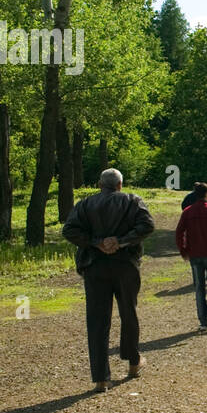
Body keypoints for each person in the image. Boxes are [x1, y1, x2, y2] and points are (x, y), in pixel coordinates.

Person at [62, 168, 155, 392]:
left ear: (99, 184)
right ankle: (133, 362)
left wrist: (97, 242)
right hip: (125, 265)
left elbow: (69, 230)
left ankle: (101, 378)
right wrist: (121, 241)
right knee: (128, 312)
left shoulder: (85, 204)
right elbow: (147, 226)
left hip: (94, 266)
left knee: (97, 320)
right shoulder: (133, 201)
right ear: (120, 184)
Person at [176, 182, 207, 332]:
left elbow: (179, 233)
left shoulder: (187, 211)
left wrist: (183, 251)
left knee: (199, 288)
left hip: (194, 254)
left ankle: (203, 321)